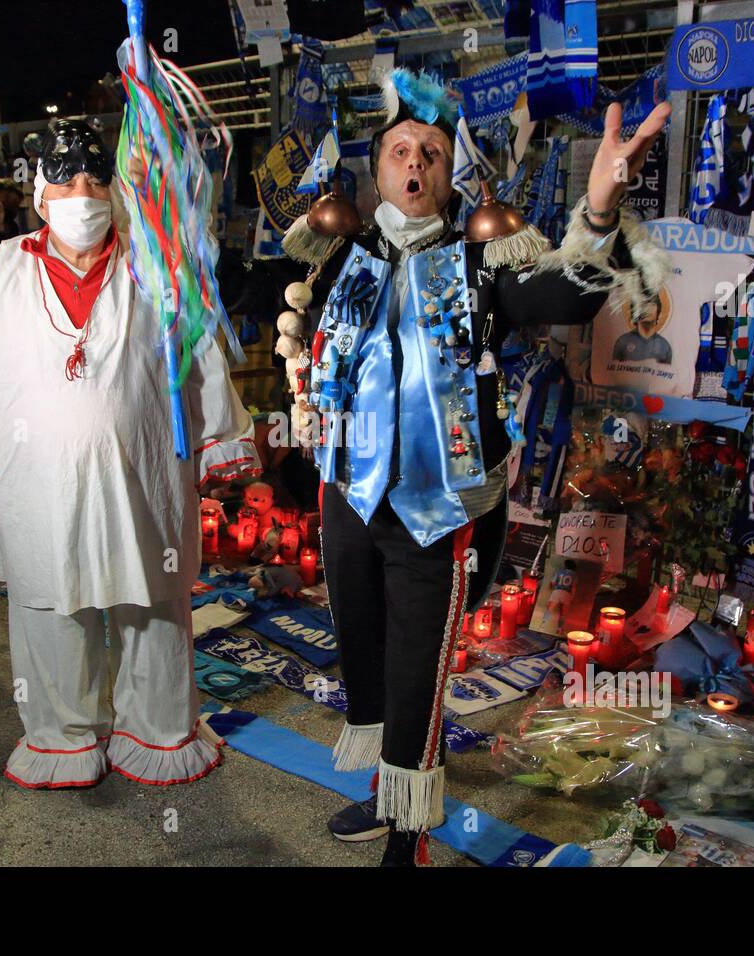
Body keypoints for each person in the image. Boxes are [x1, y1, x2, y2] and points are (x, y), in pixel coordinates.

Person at [277, 69, 670, 865]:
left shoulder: (481, 259)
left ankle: (409, 837)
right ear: (378, 167)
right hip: (349, 495)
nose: (413, 162)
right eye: (398, 150)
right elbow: (305, 352)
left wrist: (596, 209)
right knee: (364, 651)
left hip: (439, 507)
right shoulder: (340, 252)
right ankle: (391, 790)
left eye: (428, 150)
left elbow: (567, 297)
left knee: (418, 663)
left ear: (446, 170)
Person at [0, 119, 260, 789]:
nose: (83, 192)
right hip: (37, 483)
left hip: (145, 475)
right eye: (66, 179)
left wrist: (219, 434)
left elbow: (198, 356)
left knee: (154, 603)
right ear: (41, 195)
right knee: (49, 605)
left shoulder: (156, 267)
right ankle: (61, 736)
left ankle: (157, 730)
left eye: (96, 179)